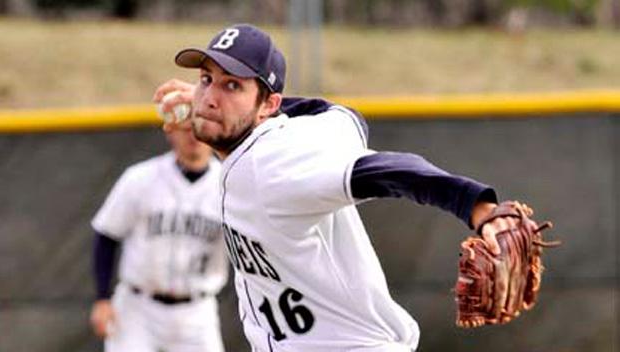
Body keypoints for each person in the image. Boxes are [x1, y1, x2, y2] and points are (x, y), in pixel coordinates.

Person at [153, 23, 521, 352]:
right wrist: (229, 104)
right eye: (206, 80)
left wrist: (474, 205)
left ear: (268, 106)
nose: (209, 97)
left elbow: (383, 170)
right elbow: (344, 116)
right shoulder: (306, 130)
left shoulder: (268, 165)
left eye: (232, 85)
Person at [89, 122, 228, 352]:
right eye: (185, 129)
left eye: (198, 128)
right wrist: (102, 298)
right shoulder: (140, 178)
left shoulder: (228, 184)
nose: (193, 137)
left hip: (197, 310)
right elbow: (107, 234)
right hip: (138, 308)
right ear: (171, 132)